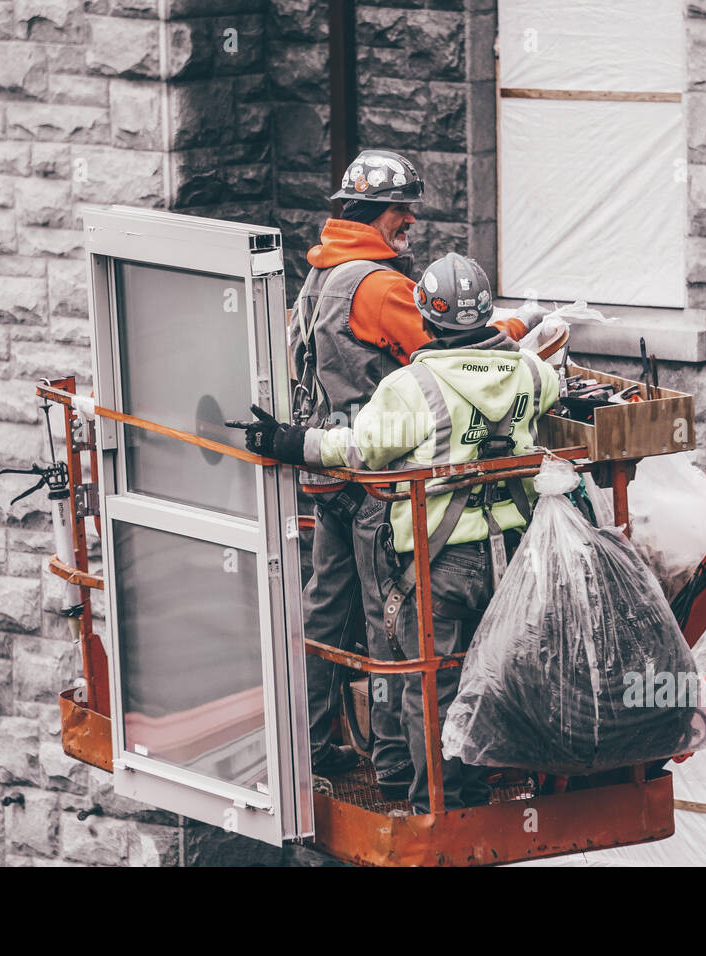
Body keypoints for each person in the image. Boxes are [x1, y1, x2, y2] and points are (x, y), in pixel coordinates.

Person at [233, 253, 557, 813]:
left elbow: (357, 448)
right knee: (491, 675)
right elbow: (547, 391)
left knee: (430, 685)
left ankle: (442, 803)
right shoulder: (534, 373)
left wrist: (292, 443)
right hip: (511, 559)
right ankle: (478, 788)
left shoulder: (411, 387)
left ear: (426, 322)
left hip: (438, 566)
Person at [287, 150, 527, 797]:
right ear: (374, 213)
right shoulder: (378, 286)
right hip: (377, 479)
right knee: (392, 628)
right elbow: (449, 348)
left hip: (331, 477)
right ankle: (397, 771)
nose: (412, 222)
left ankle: (306, 743)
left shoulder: (321, 276)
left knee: (325, 613)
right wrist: (518, 327)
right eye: (404, 211)